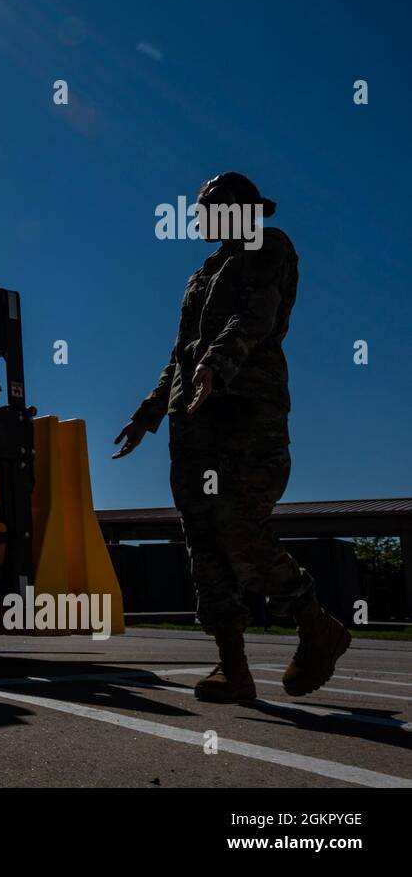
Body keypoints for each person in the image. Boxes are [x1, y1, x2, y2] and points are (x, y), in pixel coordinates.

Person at [113, 172, 350, 702]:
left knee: (239, 529)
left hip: (246, 415)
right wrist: (149, 413)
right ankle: (232, 667)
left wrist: (216, 366)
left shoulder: (269, 246)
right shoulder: (202, 273)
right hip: (191, 423)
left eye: (207, 209)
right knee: (203, 542)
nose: (198, 218)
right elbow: (181, 353)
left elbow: (255, 315)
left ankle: (316, 625)